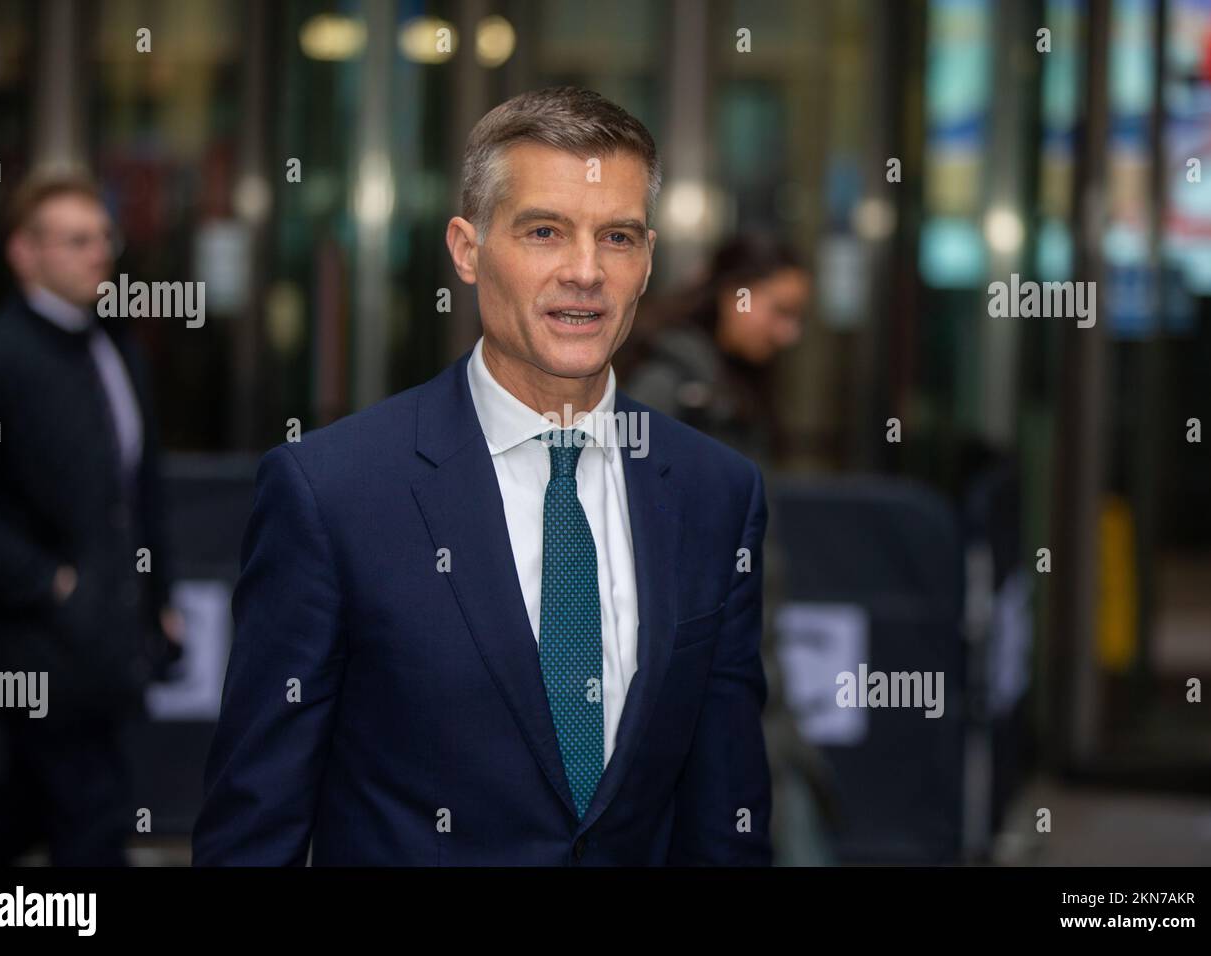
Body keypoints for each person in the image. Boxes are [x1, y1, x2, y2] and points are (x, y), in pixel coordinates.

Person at [192, 86, 773, 866]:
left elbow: (725, 810)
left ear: (648, 261)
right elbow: (254, 825)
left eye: (618, 238)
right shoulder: (333, 493)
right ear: (466, 250)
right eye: (544, 231)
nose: (585, 271)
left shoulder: (715, 494)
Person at [0, 171, 183, 865]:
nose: (98, 255)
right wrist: (48, 581)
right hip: (31, 645)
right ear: (25, 254)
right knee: (93, 812)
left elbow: (140, 493)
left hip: (105, 640)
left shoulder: (117, 350)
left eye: (104, 238)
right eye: (76, 241)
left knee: (28, 804)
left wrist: (158, 598)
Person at [623, 235, 836, 865]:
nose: (788, 332)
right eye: (778, 309)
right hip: (706, 692)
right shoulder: (672, 394)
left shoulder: (722, 391)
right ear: (730, 295)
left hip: (740, 683)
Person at [621, 232, 810, 465]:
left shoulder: (741, 380)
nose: (789, 333)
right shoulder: (669, 380)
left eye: (796, 318)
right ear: (738, 297)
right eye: (780, 311)